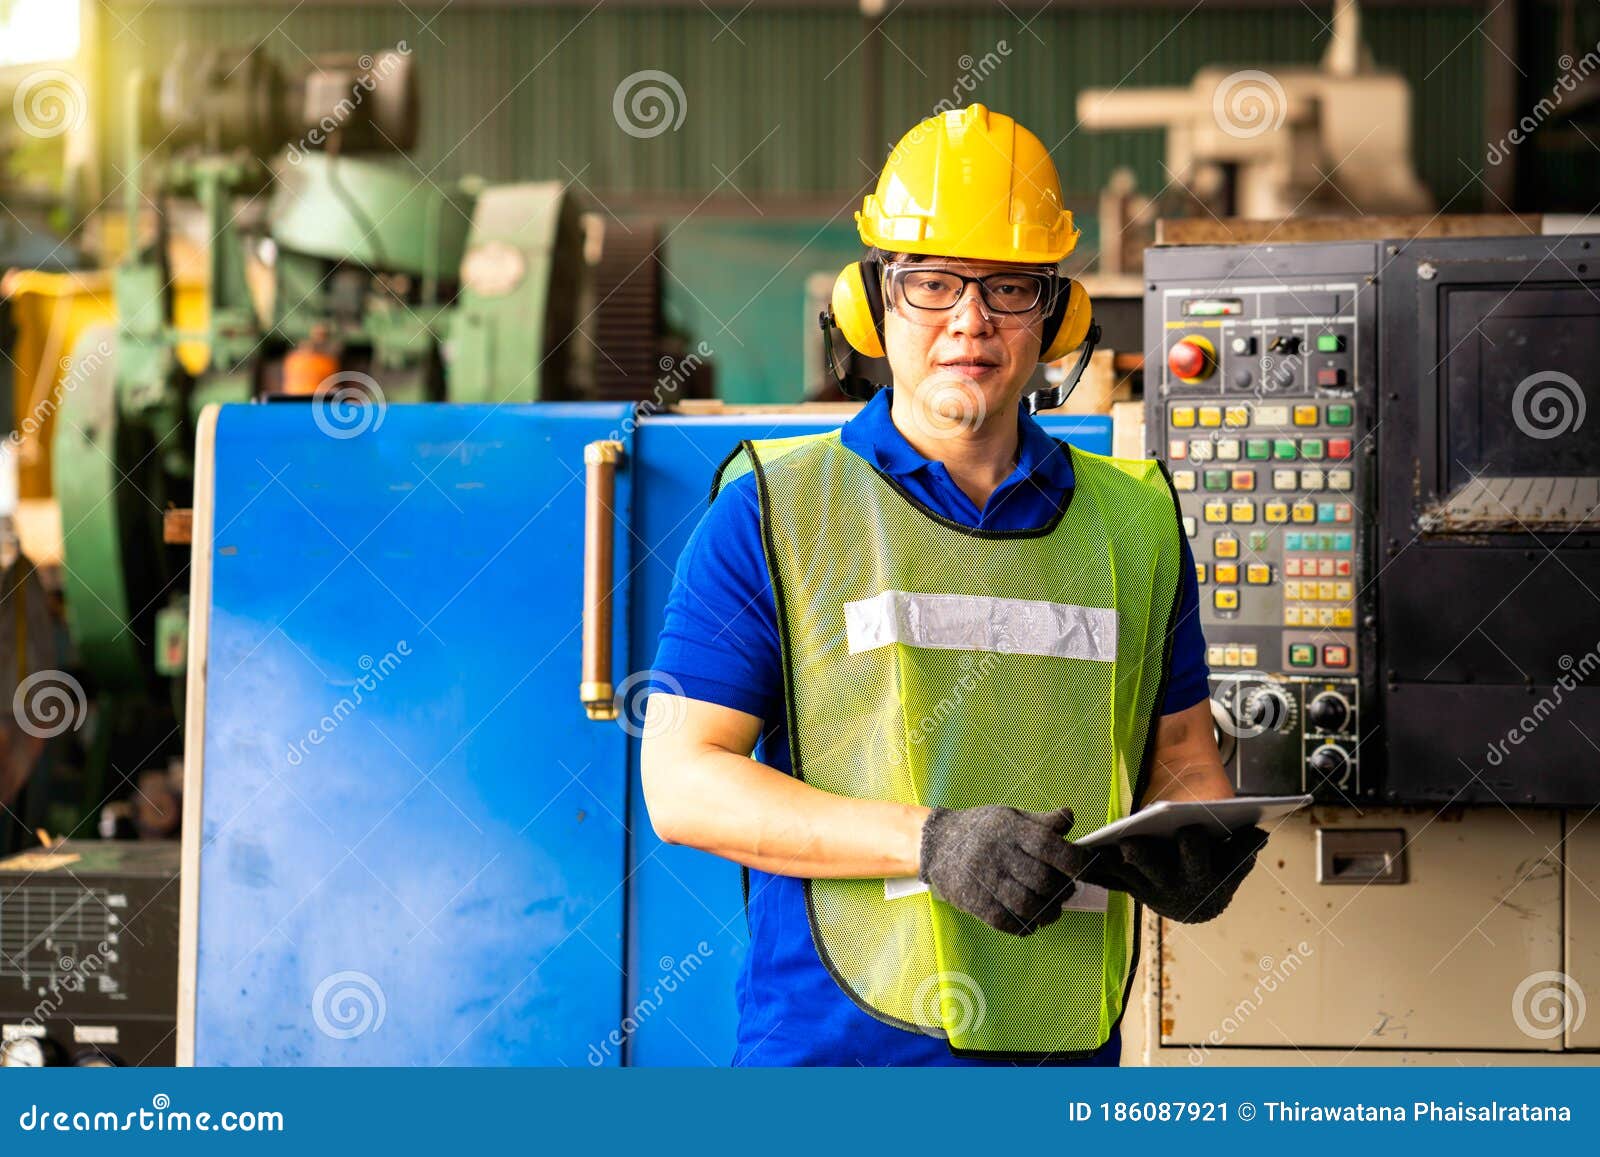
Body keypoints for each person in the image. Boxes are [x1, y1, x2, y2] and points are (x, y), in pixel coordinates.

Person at [641, 104, 1266, 1067]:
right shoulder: (775, 509)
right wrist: (928, 841)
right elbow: (684, 783)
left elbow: (1181, 755)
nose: (968, 322)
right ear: (872, 303)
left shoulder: (1136, 520)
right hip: (835, 1064)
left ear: (1056, 315)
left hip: (1061, 1052)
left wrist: (1198, 849)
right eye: (931, 283)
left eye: (1009, 288)